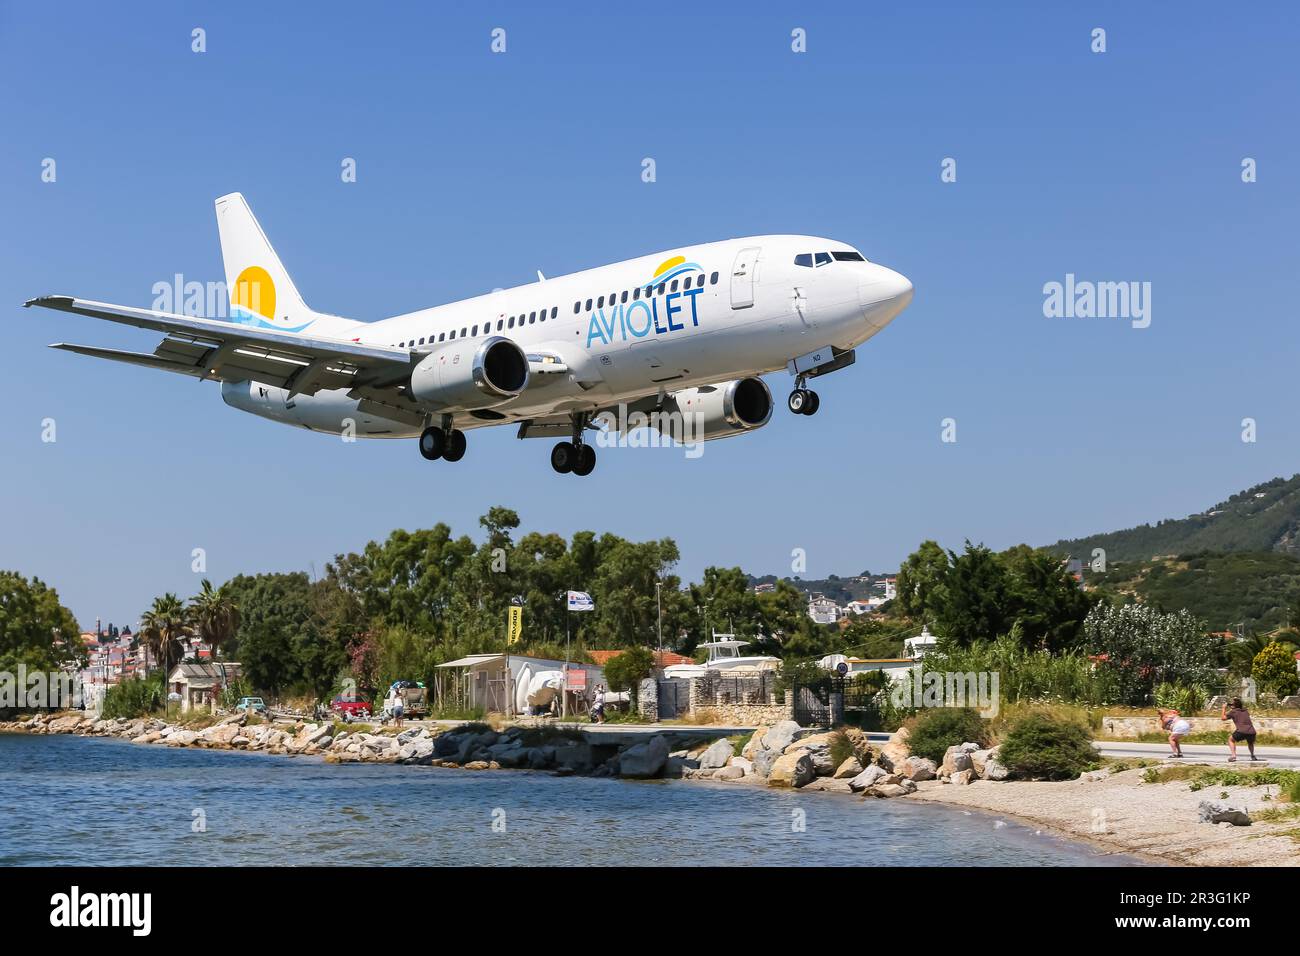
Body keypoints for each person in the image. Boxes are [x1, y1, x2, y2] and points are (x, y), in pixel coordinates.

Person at [1222, 697, 1258, 762]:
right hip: (1252, 731)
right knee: (1250, 743)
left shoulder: (1233, 712)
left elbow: (1223, 718)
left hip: (1242, 731)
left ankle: (1233, 756)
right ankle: (1252, 755)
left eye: (1231, 704)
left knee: (1231, 740)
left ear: (1233, 706)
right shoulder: (1245, 711)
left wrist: (1223, 708)